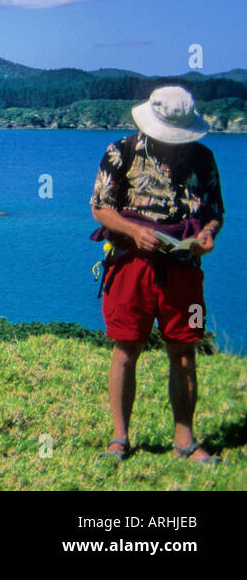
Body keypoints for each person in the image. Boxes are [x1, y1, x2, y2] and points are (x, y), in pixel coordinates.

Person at [90, 86, 224, 464]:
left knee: (185, 350)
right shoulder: (122, 152)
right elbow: (100, 207)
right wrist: (135, 232)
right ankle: (120, 438)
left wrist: (207, 235)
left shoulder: (203, 158)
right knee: (125, 348)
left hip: (184, 268)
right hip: (130, 264)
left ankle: (185, 439)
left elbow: (215, 211)